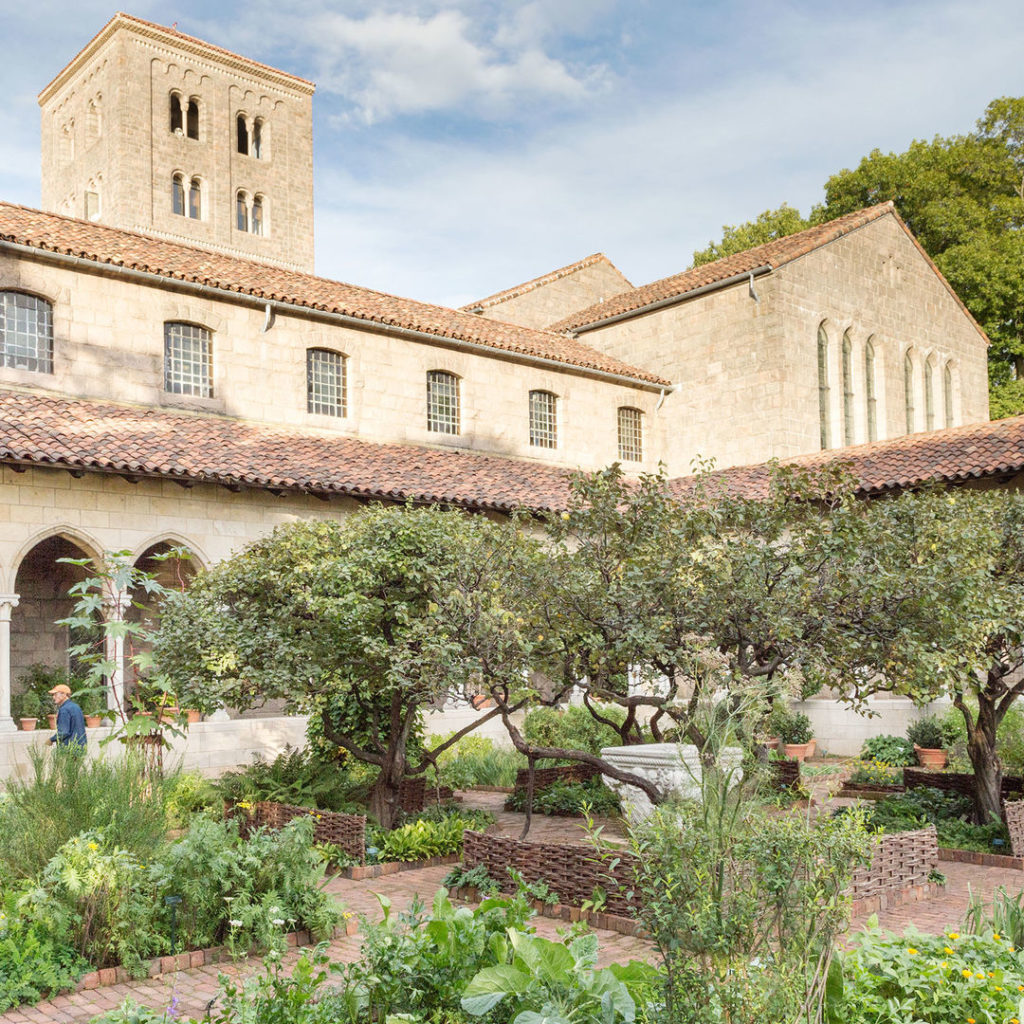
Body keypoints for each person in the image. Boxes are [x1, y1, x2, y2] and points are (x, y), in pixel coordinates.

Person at [48, 683, 87, 748]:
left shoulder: (64, 710)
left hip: (69, 748)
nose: (53, 697)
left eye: (55, 694)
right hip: (81, 746)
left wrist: (51, 739)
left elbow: (64, 732)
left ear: (64, 695)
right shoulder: (76, 707)